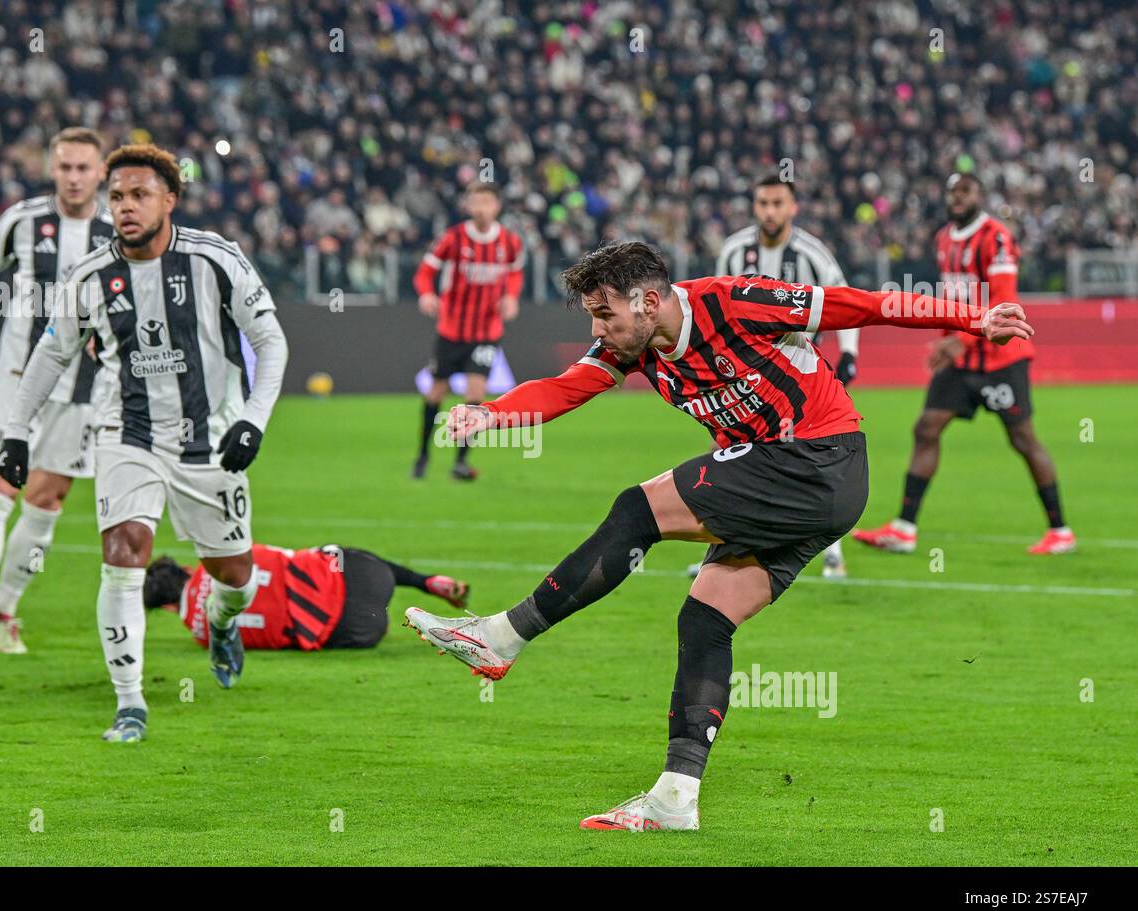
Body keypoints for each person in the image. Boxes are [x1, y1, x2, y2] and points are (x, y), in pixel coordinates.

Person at [403, 241, 1033, 830]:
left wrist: (971, 319)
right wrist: (491, 412)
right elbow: (567, 388)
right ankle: (677, 797)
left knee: (637, 510)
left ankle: (500, 637)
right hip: (809, 487)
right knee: (705, 617)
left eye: (604, 313)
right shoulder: (636, 346)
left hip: (815, 458)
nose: (597, 329)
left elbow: (859, 305)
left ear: (649, 301)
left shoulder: (733, 301)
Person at [0, 144, 289, 743]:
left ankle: (221, 619)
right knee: (124, 554)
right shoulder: (90, 277)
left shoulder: (215, 259)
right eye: (118, 197)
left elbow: (272, 343)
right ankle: (130, 703)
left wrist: (254, 419)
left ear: (170, 200)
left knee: (235, 576)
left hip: (210, 440)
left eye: (140, 195)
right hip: (127, 433)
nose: (126, 208)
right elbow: (50, 355)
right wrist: (16, 431)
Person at [0, 127, 114, 657]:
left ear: (100, 172)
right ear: (52, 169)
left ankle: (4, 610)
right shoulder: (24, 221)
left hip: (81, 393)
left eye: (84, 168)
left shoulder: (116, 232)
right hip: (16, 384)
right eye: (65, 167)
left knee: (46, 503)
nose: (74, 177)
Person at [854, 172, 1074, 556]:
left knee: (1022, 439)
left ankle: (1060, 531)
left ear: (979, 195)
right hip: (961, 358)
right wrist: (946, 342)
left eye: (965, 191)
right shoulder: (943, 239)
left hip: (1000, 359)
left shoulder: (997, 237)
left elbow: (1002, 301)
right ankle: (905, 528)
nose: (956, 198)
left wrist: (960, 339)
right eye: (952, 191)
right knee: (926, 428)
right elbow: (954, 298)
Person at [712, 174, 859, 576]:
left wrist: (849, 353)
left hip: (798, 371)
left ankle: (832, 550)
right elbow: (716, 304)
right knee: (738, 452)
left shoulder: (812, 254)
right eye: (763, 203)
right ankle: (729, 547)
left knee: (812, 453)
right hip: (746, 373)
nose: (770, 211)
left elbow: (844, 301)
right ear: (754, 206)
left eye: (778, 203)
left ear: (793, 207)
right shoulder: (734, 251)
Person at [144, 545, 470, 650]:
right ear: (186, 568)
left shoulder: (203, 635)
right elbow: (281, 554)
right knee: (322, 555)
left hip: (352, 630)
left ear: (168, 606)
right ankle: (424, 582)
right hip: (364, 576)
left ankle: (385, 624)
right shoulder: (226, 556)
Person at [412, 181, 524, 481]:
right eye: (475, 202)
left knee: (476, 393)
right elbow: (425, 271)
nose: (481, 208)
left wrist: (511, 298)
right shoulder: (453, 238)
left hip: (486, 332)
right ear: (468, 205)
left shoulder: (510, 242)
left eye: (486, 202)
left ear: (497, 206)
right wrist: (425, 293)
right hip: (451, 331)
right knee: (436, 392)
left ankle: (460, 461)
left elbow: (514, 274)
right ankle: (423, 455)